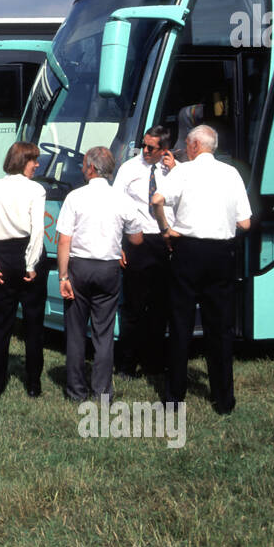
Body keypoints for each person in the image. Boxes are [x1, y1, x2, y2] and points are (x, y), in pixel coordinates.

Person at [150, 124, 252, 414]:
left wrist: (166, 229)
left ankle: (173, 398)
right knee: (220, 328)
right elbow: (245, 222)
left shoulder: (184, 170)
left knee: (180, 324)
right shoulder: (231, 173)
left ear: (194, 146)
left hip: (188, 250)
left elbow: (157, 199)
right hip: (221, 253)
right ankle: (223, 400)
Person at [57, 147, 144, 402]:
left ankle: (76, 391)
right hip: (108, 268)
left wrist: (63, 277)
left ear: (92, 168)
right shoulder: (122, 199)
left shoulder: (75, 197)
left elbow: (64, 241)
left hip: (79, 266)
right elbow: (137, 237)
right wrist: (120, 246)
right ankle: (102, 392)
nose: (82, 169)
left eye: (84, 165)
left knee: (75, 332)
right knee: (103, 333)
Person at [0, 141, 48, 397]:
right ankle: (33, 385)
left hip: (3, 255)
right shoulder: (36, 190)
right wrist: (32, 264)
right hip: (28, 252)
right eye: (33, 160)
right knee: (33, 323)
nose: (37, 165)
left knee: (2, 324)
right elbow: (38, 229)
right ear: (22, 161)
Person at [113, 125, 176, 376]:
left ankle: (155, 363)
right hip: (137, 241)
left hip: (164, 241)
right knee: (133, 306)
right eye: (144, 145)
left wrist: (175, 171)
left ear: (164, 149)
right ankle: (126, 364)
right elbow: (115, 205)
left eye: (151, 147)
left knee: (160, 306)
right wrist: (119, 246)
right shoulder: (129, 169)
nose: (145, 150)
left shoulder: (174, 171)